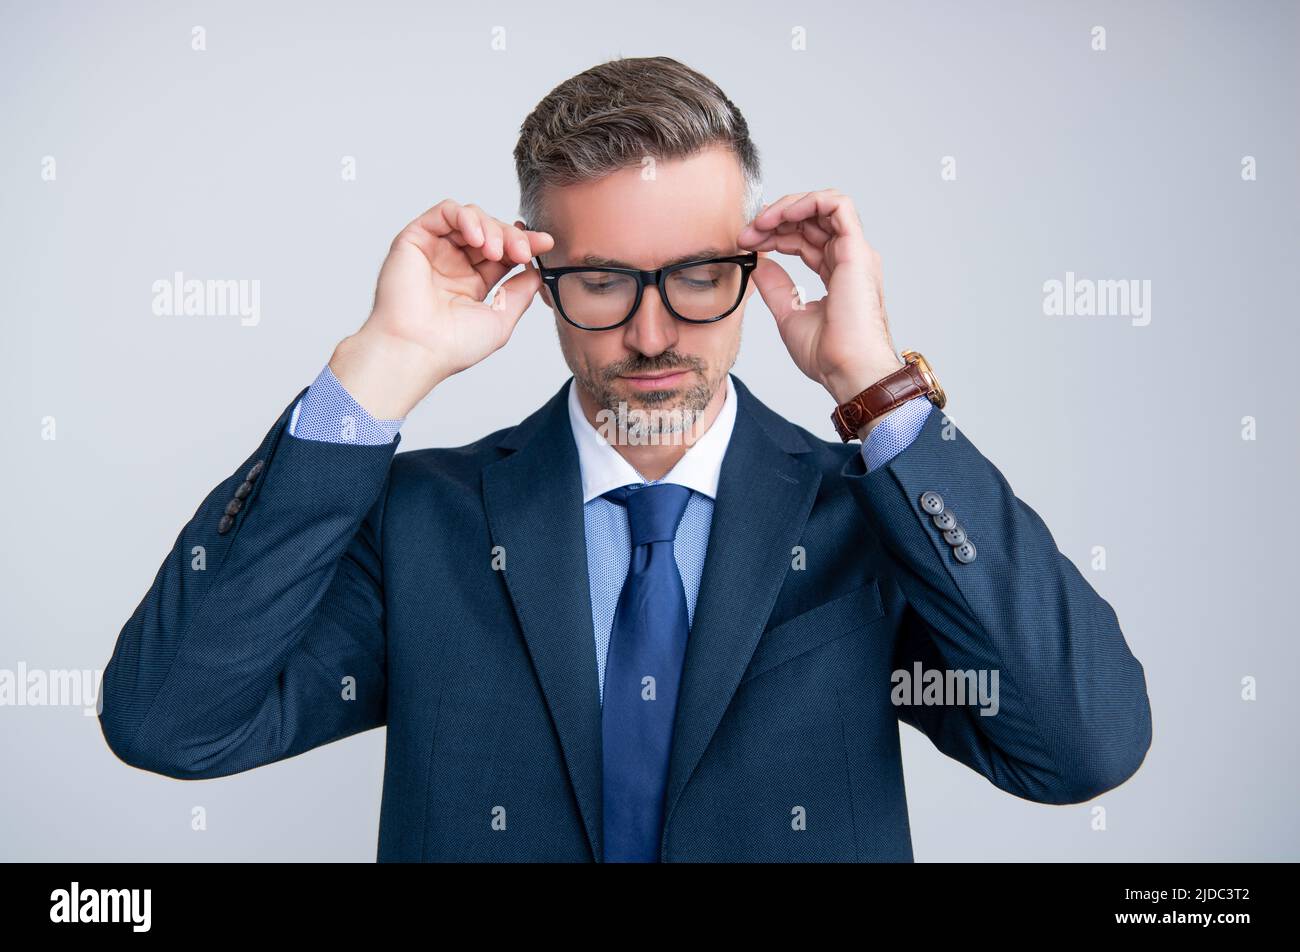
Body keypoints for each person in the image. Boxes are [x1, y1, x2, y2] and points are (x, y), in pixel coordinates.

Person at [99, 55, 1151, 862]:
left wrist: (878, 392)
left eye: (698, 274)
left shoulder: (868, 518)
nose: (652, 334)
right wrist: (377, 370)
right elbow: (169, 722)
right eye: (602, 279)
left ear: (756, 264)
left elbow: (1082, 746)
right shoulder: (424, 521)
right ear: (533, 279)